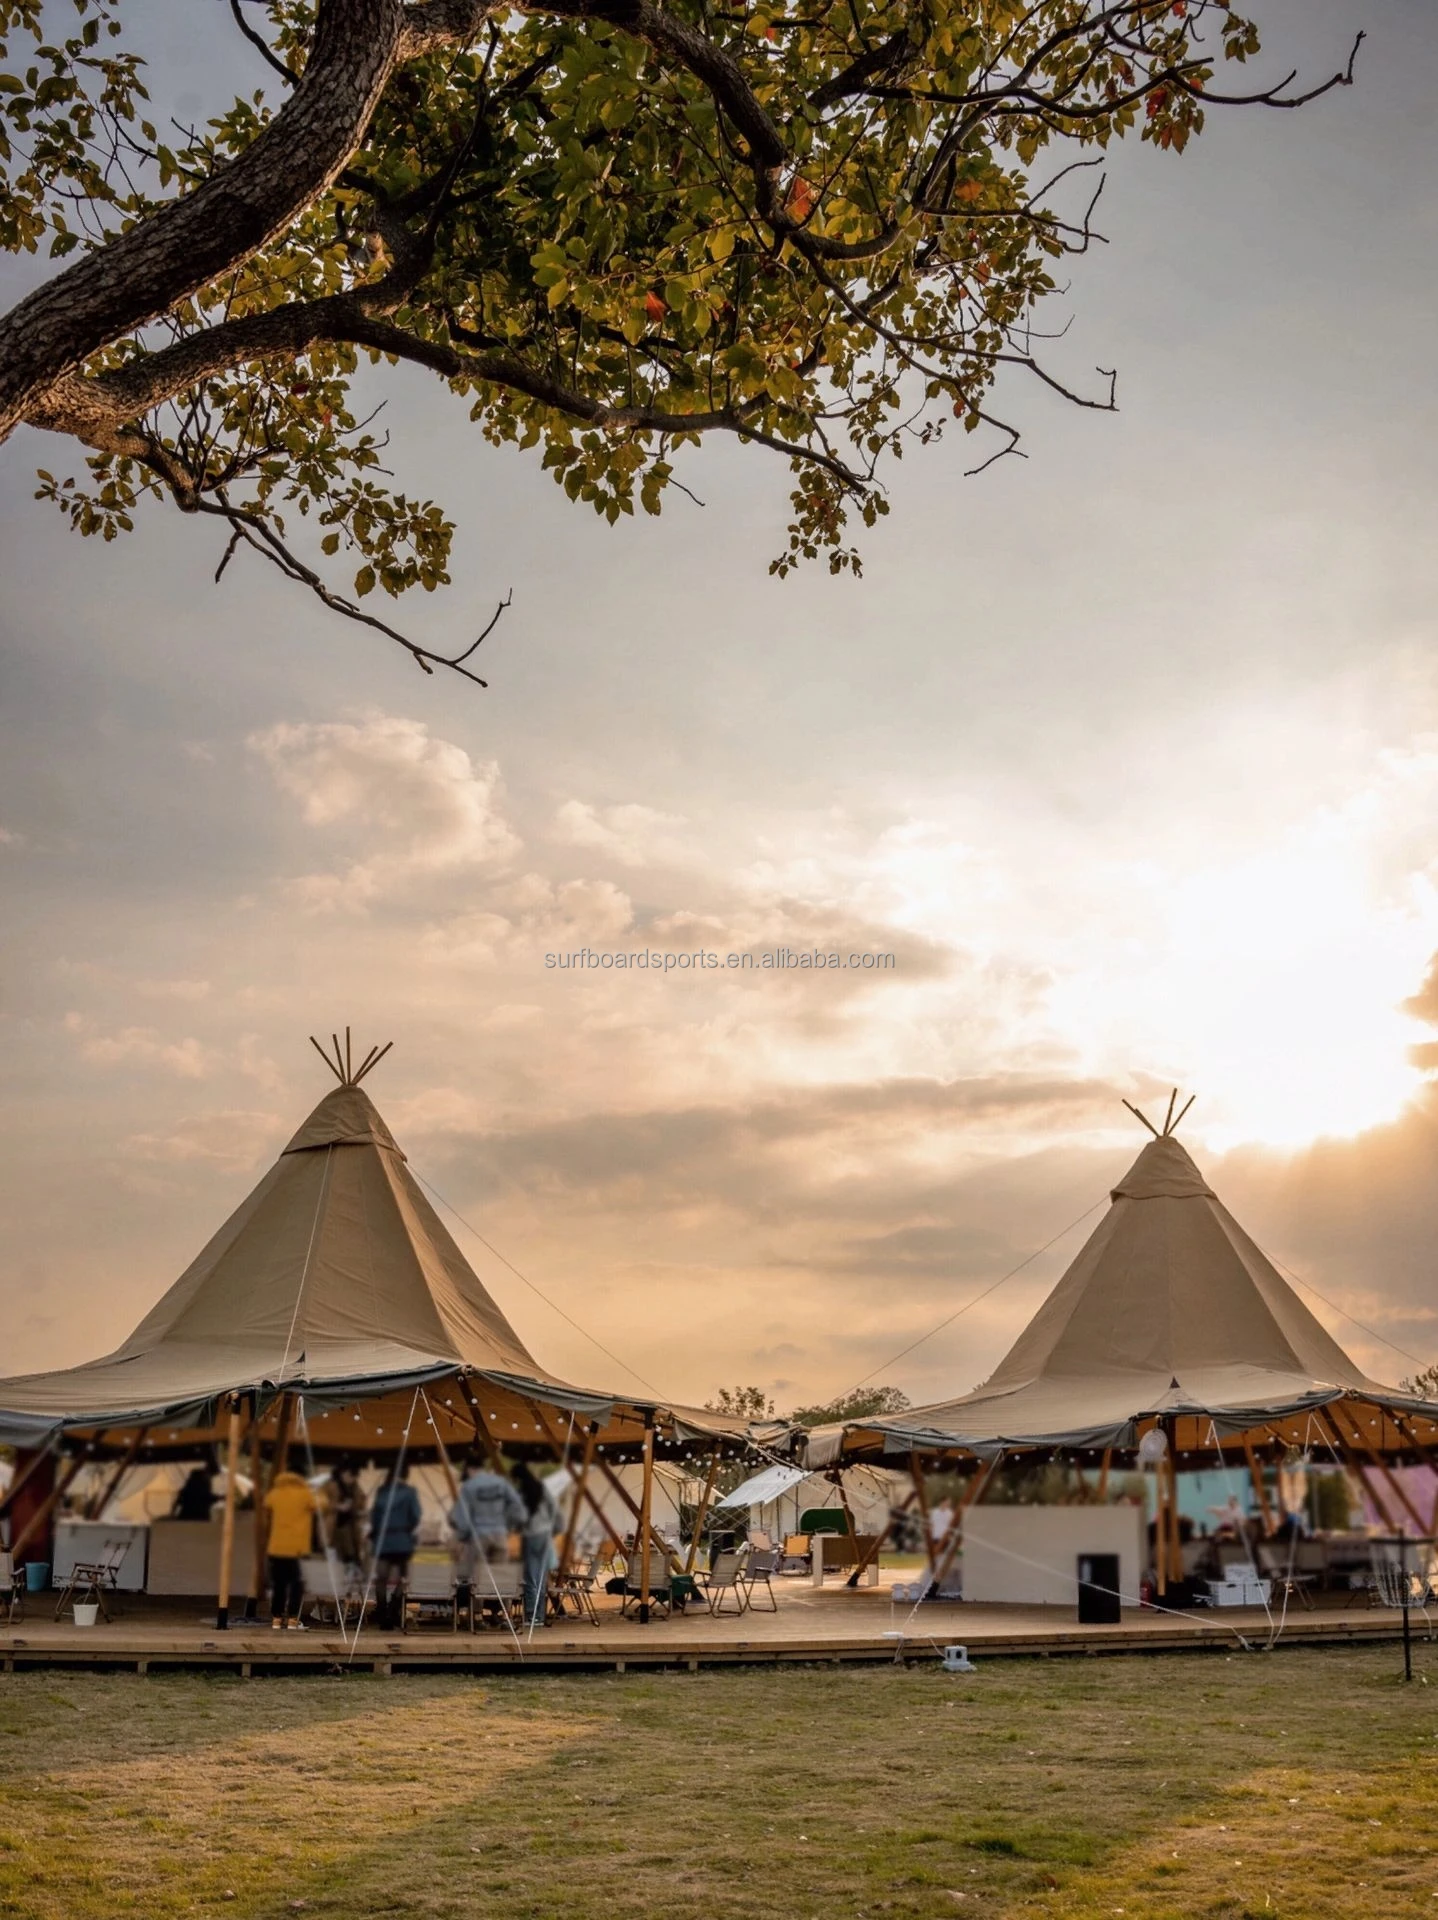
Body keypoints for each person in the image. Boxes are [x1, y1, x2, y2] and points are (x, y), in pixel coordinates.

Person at [449, 1454, 525, 1601]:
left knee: (477, 1579)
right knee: (500, 1577)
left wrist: (463, 1536)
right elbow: (518, 1508)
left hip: (479, 1537)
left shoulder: (469, 1486)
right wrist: (508, 1526)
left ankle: (477, 1612)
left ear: (469, 1469)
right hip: (500, 1536)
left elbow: (462, 1517)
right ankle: (501, 1610)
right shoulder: (501, 1483)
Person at [264, 1467, 320, 1630]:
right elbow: (320, 1505)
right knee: (296, 1584)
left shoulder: (275, 1493)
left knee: (279, 1584)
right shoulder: (305, 1493)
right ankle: (292, 1620)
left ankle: (276, 1619)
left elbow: (266, 1505)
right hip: (297, 1548)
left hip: (276, 1547)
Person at [369, 1460, 422, 1630]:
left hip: (382, 1540)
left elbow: (374, 1516)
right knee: (403, 1579)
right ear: (405, 1475)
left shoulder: (381, 1491)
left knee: (381, 1578)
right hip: (402, 1540)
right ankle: (393, 1609)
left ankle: (382, 1611)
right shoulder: (409, 1492)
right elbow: (416, 1515)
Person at [512, 1461, 560, 1628]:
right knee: (541, 1577)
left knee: (530, 1578)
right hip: (545, 1536)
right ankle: (539, 1616)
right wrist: (550, 1525)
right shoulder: (542, 1488)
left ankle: (531, 1615)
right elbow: (553, 1508)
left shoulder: (521, 1493)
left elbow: (517, 1516)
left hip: (531, 1536)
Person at [322, 1462, 366, 1570]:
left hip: (351, 1524)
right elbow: (321, 1504)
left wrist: (358, 1505)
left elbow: (361, 1501)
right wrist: (337, 1506)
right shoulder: (330, 1485)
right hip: (335, 1524)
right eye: (350, 1476)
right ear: (343, 1473)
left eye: (354, 1477)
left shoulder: (355, 1487)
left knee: (353, 1552)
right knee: (341, 1553)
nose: (352, 1479)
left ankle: (352, 1570)